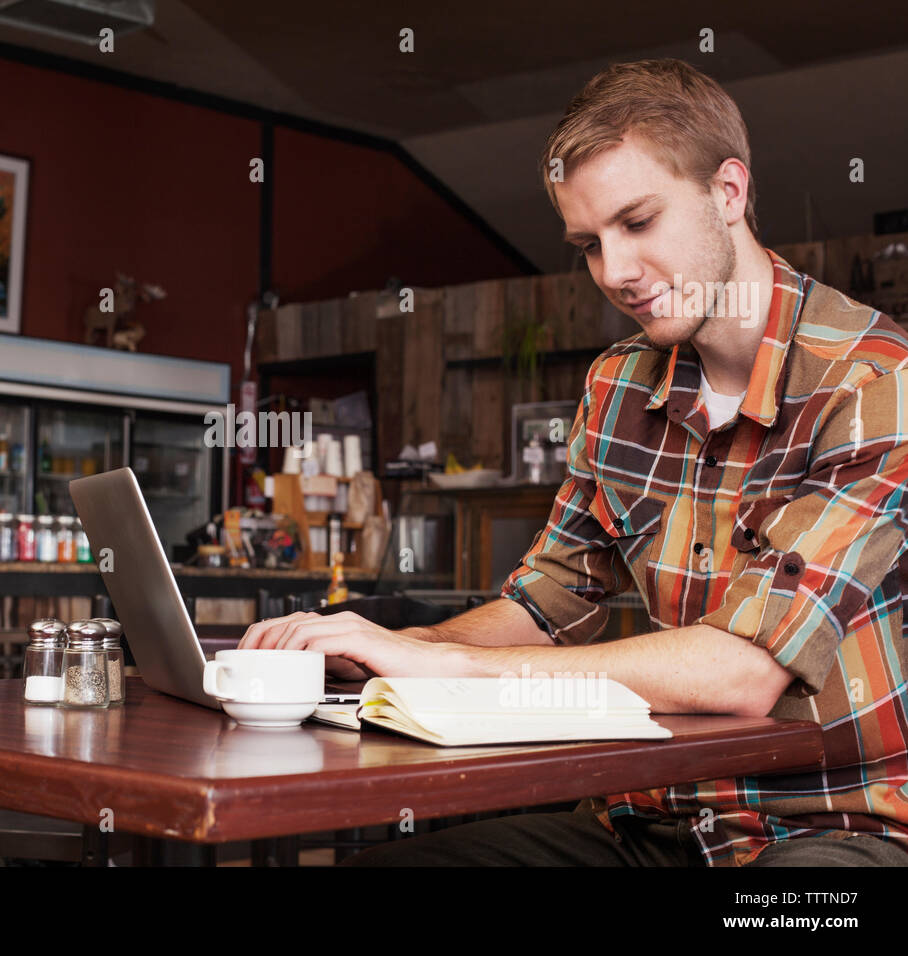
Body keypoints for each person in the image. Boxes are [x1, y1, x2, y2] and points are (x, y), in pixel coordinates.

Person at [240, 58, 908, 867]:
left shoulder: (876, 383)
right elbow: (548, 605)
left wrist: (438, 663)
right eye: (589, 244)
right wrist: (384, 654)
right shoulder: (618, 384)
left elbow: (742, 673)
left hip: (836, 831)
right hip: (651, 824)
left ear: (729, 192)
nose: (615, 273)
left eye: (638, 222)